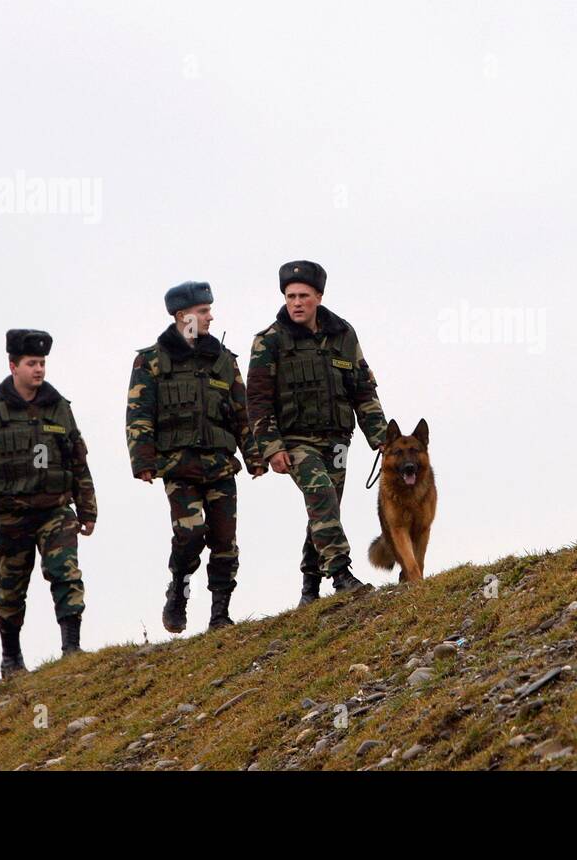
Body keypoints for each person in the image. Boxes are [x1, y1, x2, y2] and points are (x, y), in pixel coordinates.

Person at [246, 260, 389, 605]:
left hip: (337, 439)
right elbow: (258, 399)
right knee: (321, 494)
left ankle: (310, 589)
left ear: (318, 297)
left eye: (303, 296)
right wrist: (271, 447)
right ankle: (341, 574)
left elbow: (363, 390)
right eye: (290, 296)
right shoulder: (269, 342)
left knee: (326, 508)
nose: (296, 302)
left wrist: (384, 439)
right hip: (296, 442)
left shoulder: (342, 335)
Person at [126, 281, 265, 633]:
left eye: (209, 309)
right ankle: (179, 588)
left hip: (220, 466)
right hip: (179, 467)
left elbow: (241, 414)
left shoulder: (223, 361)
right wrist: (142, 461)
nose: (210, 317)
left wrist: (254, 457)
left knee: (224, 541)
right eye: (203, 311)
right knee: (190, 534)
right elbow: (139, 414)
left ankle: (220, 614)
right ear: (182, 316)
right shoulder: (151, 361)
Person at [0, 329, 96, 678]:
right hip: (11, 515)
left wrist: (87, 508)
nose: (39, 370)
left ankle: (72, 648)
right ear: (13, 366)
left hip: (55, 509)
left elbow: (77, 458)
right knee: (12, 587)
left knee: (66, 573)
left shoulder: (59, 408)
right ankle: (11, 658)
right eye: (31, 363)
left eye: (42, 363)